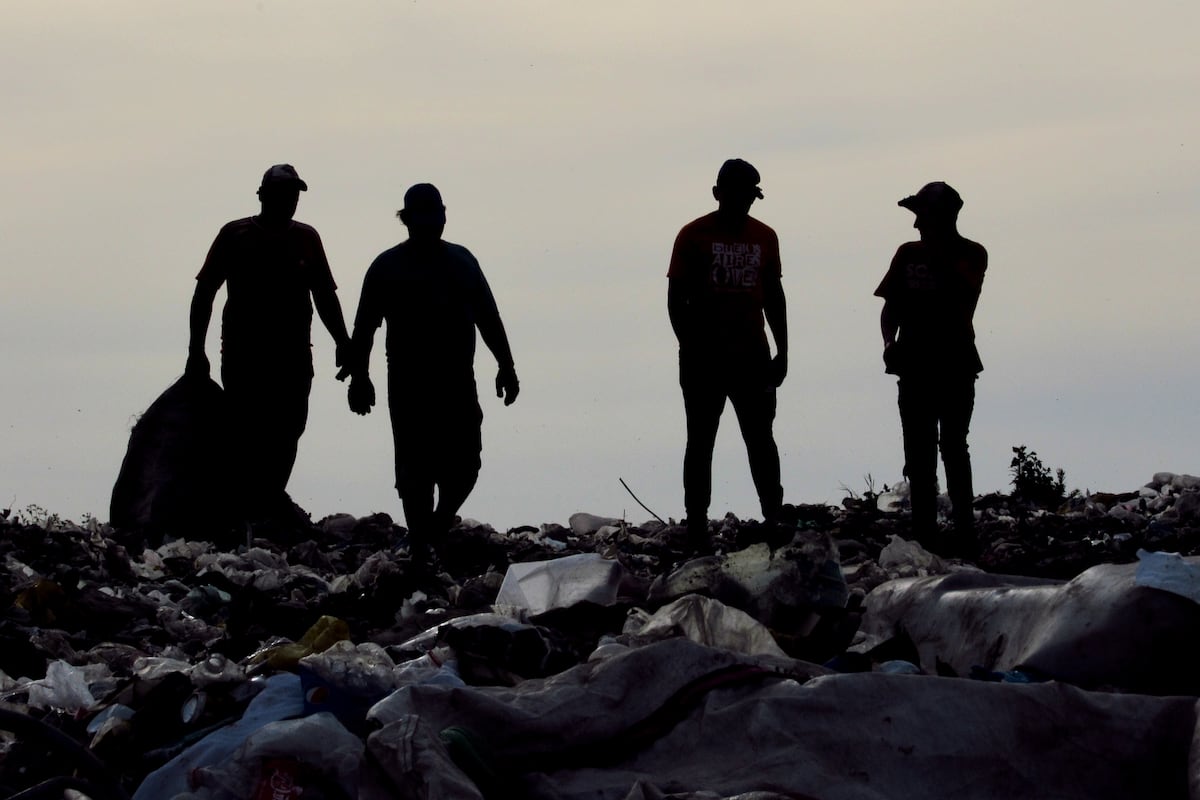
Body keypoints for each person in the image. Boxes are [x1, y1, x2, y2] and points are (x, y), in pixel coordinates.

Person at [343, 183, 519, 559]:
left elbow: (488, 316)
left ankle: (435, 526)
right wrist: (360, 377)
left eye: (435, 213)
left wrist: (506, 365)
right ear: (406, 220)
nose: (429, 221)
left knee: (466, 463)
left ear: (444, 215)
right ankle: (421, 544)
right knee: (414, 470)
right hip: (408, 385)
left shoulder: (463, 261)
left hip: (457, 381)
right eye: (420, 215)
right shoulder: (386, 267)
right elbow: (364, 328)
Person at [186, 164, 351, 525]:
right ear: (263, 196)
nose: (290, 201)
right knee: (246, 434)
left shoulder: (307, 238)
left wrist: (343, 342)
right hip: (245, 357)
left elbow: (324, 295)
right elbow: (205, 292)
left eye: (294, 195)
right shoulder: (235, 235)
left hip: (293, 359)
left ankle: (268, 505)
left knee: (288, 431)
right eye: (282, 194)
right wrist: (195, 350)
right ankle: (248, 513)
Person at [667, 158, 788, 549]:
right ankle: (697, 526)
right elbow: (675, 299)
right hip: (704, 358)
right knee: (701, 442)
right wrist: (690, 346)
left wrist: (783, 350)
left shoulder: (765, 237)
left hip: (752, 356)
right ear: (718, 194)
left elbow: (773, 295)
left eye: (750, 197)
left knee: (761, 440)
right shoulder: (693, 235)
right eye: (738, 195)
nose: (744, 204)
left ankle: (774, 516)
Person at [874, 181, 987, 553]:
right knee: (919, 454)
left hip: (954, 364)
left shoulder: (972, 255)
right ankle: (926, 536)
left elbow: (963, 295)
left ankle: (964, 532)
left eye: (922, 216)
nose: (916, 225)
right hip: (915, 366)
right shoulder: (907, 255)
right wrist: (889, 343)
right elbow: (890, 309)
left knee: (953, 448)